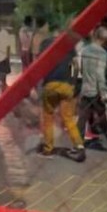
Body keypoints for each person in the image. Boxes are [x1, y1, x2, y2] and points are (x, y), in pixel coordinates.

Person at [36, 25, 86, 162]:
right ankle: (79, 146)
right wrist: (74, 84)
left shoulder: (45, 43)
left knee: (48, 117)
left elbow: (39, 64)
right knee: (68, 118)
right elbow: (76, 66)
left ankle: (48, 149)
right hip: (67, 85)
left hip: (51, 84)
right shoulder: (69, 45)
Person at [75, 27, 107, 153]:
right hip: (96, 90)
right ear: (105, 39)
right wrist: (103, 91)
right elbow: (100, 74)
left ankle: (77, 143)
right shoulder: (102, 53)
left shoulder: (85, 50)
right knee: (106, 118)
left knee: (82, 118)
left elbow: (82, 69)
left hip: (86, 88)